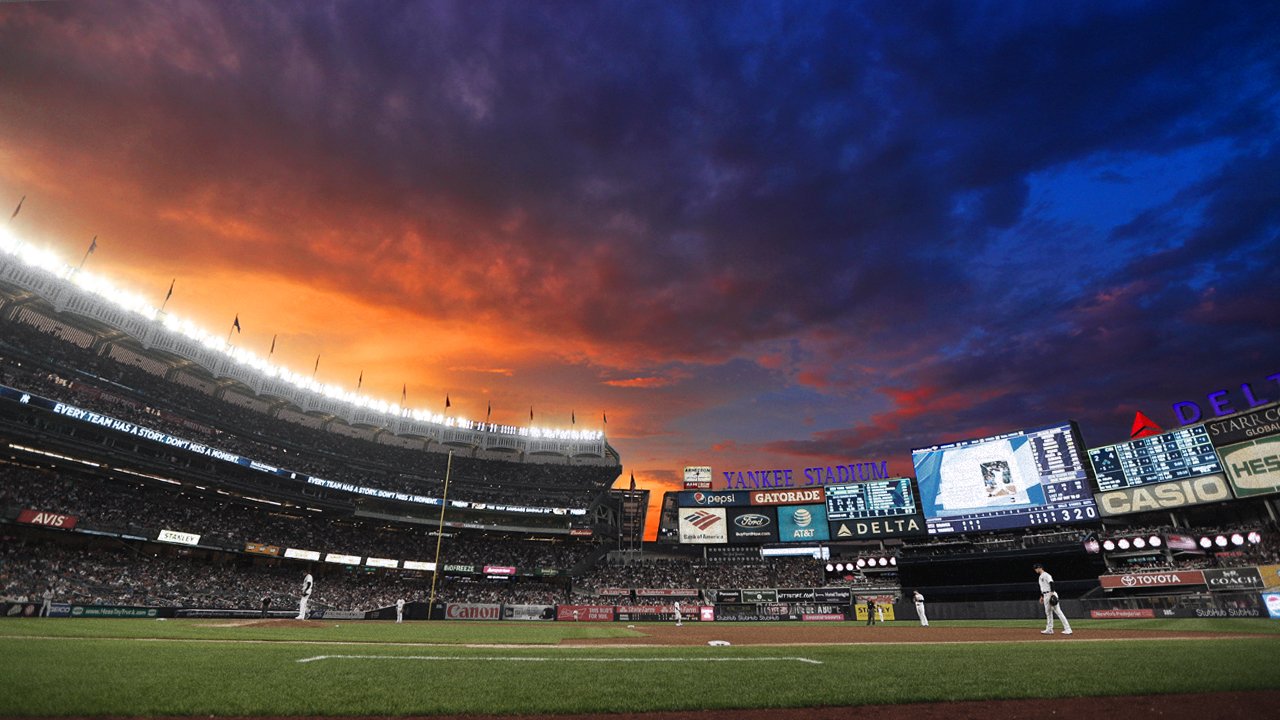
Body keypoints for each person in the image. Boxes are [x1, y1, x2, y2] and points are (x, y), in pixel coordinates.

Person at [1034, 564, 1072, 635]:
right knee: (1048, 613)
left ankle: (1068, 629)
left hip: (1050, 594)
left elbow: (1051, 583)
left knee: (1058, 611)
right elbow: (1043, 588)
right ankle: (1049, 629)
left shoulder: (1046, 575)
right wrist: (1042, 596)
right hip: (1045, 595)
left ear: (1040, 568)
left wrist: (1052, 593)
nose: (1035, 570)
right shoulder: (1040, 577)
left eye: (1036, 568)